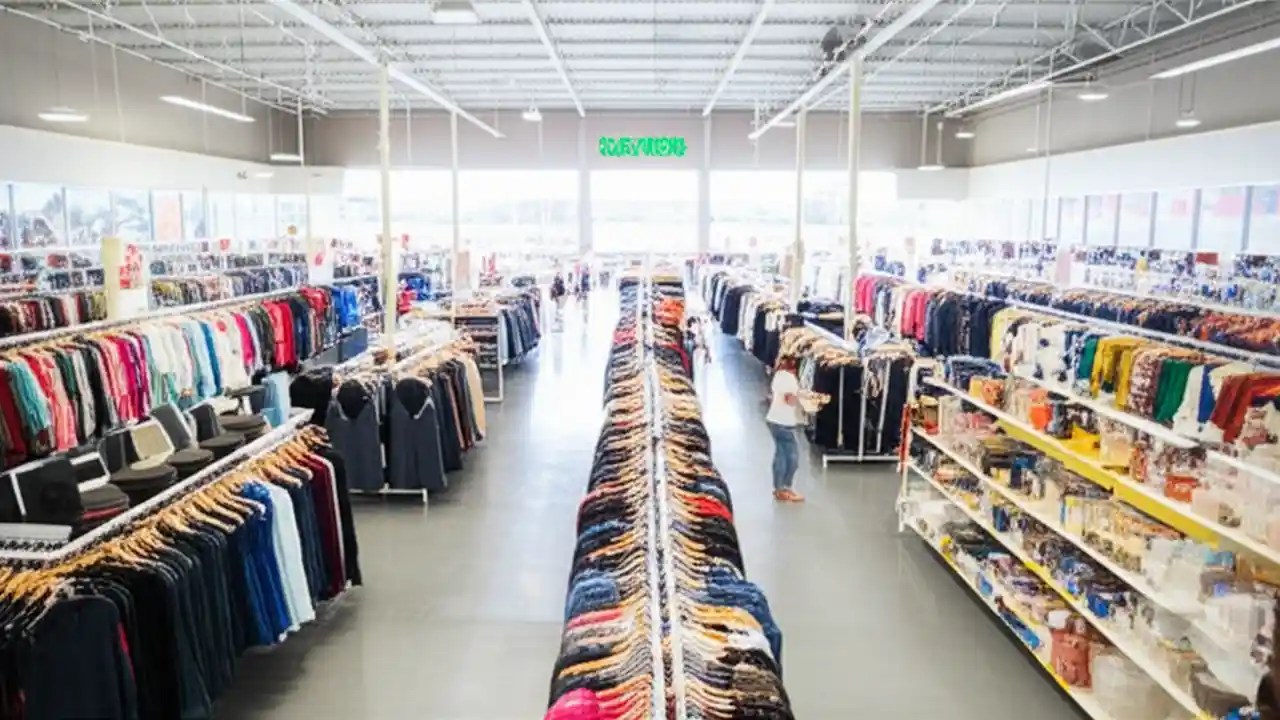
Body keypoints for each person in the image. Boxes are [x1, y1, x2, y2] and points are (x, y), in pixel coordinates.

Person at [766, 356, 804, 502]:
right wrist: (806, 401)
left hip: (774, 420)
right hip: (783, 422)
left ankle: (779, 488)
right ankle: (786, 488)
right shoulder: (789, 378)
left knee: (780, 455)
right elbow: (789, 399)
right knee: (792, 457)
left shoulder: (779, 375)